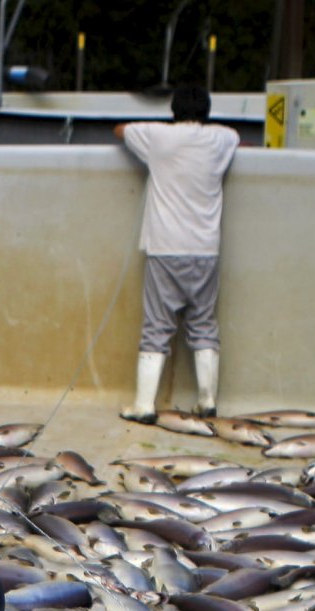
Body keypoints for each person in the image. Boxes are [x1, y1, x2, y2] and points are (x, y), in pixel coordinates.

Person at [116, 86, 239, 423]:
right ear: (207, 111)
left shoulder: (158, 137)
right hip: (205, 250)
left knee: (157, 326)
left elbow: (121, 130)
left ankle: (144, 405)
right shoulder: (223, 138)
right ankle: (207, 399)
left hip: (165, 249)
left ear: (173, 111)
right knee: (203, 323)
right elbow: (236, 139)